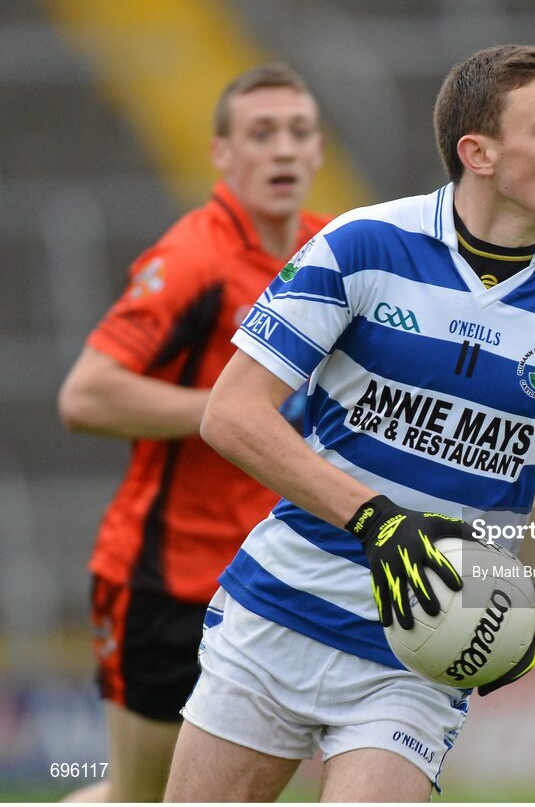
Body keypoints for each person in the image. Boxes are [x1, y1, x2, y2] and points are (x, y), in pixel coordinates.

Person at [163, 44, 535, 803]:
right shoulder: (362, 245)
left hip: (425, 649)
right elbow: (232, 414)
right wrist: (375, 520)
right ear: (478, 152)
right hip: (279, 612)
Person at [56, 63, 330, 802]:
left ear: (318, 152)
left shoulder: (326, 256)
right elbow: (86, 394)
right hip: (164, 579)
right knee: (140, 796)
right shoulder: (195, 258)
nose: (281, 149)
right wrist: (230, 409)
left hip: (266, 578)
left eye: (297, 132)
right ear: (222, 154)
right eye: (260, 133)